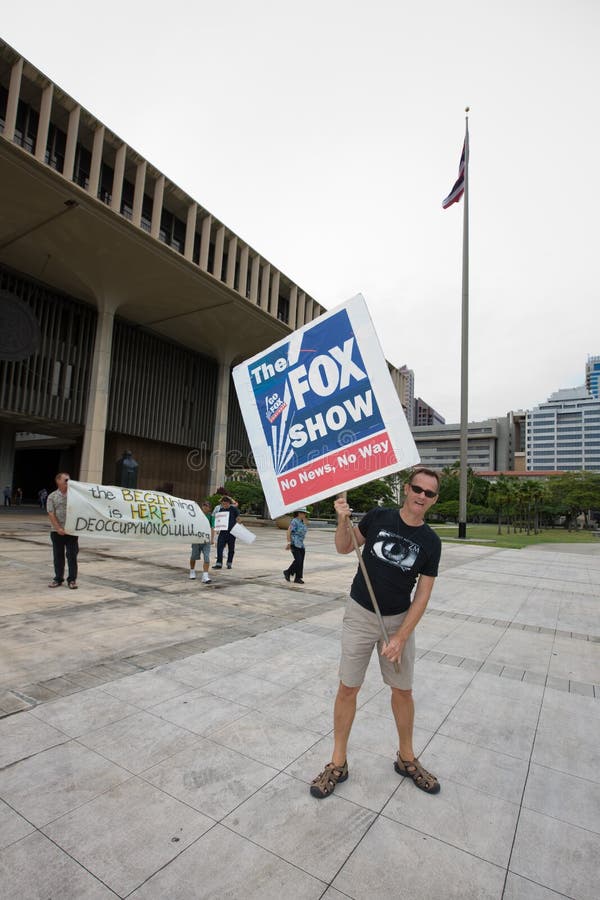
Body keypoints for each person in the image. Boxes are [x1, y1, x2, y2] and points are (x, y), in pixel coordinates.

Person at [310, 467, 442, 799]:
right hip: (360, 614)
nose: (421, 496)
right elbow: (344, 547)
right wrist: (342, 519)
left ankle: (406, 758)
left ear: (434, 500)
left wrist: (400, 637)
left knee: (402, 692)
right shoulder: (379, 517)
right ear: (407, 489)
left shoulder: (430, 542)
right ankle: (337, 763)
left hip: (398, 622)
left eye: (429, 493)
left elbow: (422, 595)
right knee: (348, 688)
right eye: (417, 488)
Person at [46, 472, 79, 589]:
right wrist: (58, 528)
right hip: (57, 532)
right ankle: (58, 579)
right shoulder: (52, 496)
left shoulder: (75, 495)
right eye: (66, 480)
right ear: (58, 481)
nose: (68, 482)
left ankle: (72, 580)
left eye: (69, 480)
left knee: (72, 556)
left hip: (72, 531)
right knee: (58, 556)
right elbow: (51, 513)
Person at [189, 500, 214, 583]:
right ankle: (192, 571)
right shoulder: (196, 515)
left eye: (207, 506)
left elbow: (212, 528)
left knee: (207, 557)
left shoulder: (211, 516)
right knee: (193, 556)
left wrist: (212, 539)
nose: (205, 507)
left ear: (210, 508)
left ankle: (205, 576)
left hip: (206, 540)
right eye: (204, 505)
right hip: (196, 539)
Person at [212, 495, 240, 569]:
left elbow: (238, 518)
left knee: (231, 549)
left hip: (232, 532)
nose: (224, 505)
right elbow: (218, 520)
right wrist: (217, 528)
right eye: (223, 504)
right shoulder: (221, 510)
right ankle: (219, 563)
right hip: (223, 532)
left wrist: (239, 524)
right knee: (219, 547)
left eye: (225, 503)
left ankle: (229, 563)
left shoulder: (233, 509)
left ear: (229, 503)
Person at [283, 508, 308, 584]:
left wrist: (305, 522)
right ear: (299, 513)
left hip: (301, 544)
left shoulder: (302, 522)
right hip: (294, 543)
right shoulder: (294, 521)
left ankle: (298, 578)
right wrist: (289, 543)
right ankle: (288, 572)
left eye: (305, 513)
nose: (305, 514)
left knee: (301, 561)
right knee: (298, 560)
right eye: (303, 513)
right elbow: (288, 532)